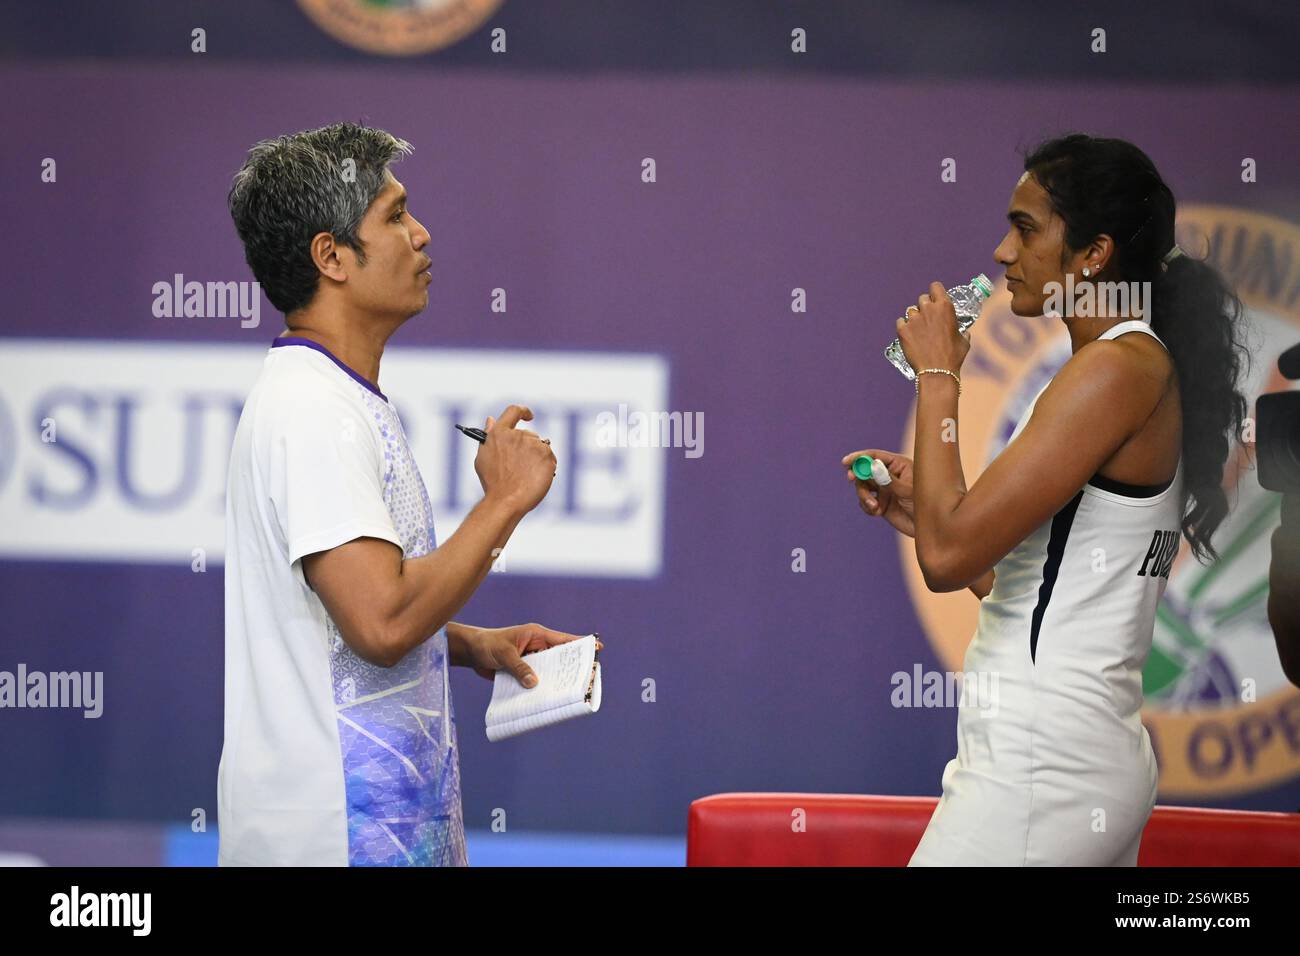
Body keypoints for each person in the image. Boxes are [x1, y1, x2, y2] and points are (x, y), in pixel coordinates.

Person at [843, 133, 1251, 865]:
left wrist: (938, 373)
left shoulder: (1116, 370)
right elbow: (1030, 582)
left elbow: (947, 556)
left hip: (1042, 768)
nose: (1003, 252)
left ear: (1093, 254)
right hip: (1070, 761)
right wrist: (927, 516)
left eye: (1026, 228)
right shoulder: (1124, 366)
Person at [219, 122, 591, 866]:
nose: (420, 235)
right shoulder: (312, 411)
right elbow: (380, 622)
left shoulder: (336, 398)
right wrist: (504, 501)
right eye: (393, 216)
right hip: (335, 843)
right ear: (331, 258)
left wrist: (468, 644)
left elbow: (348, 619)